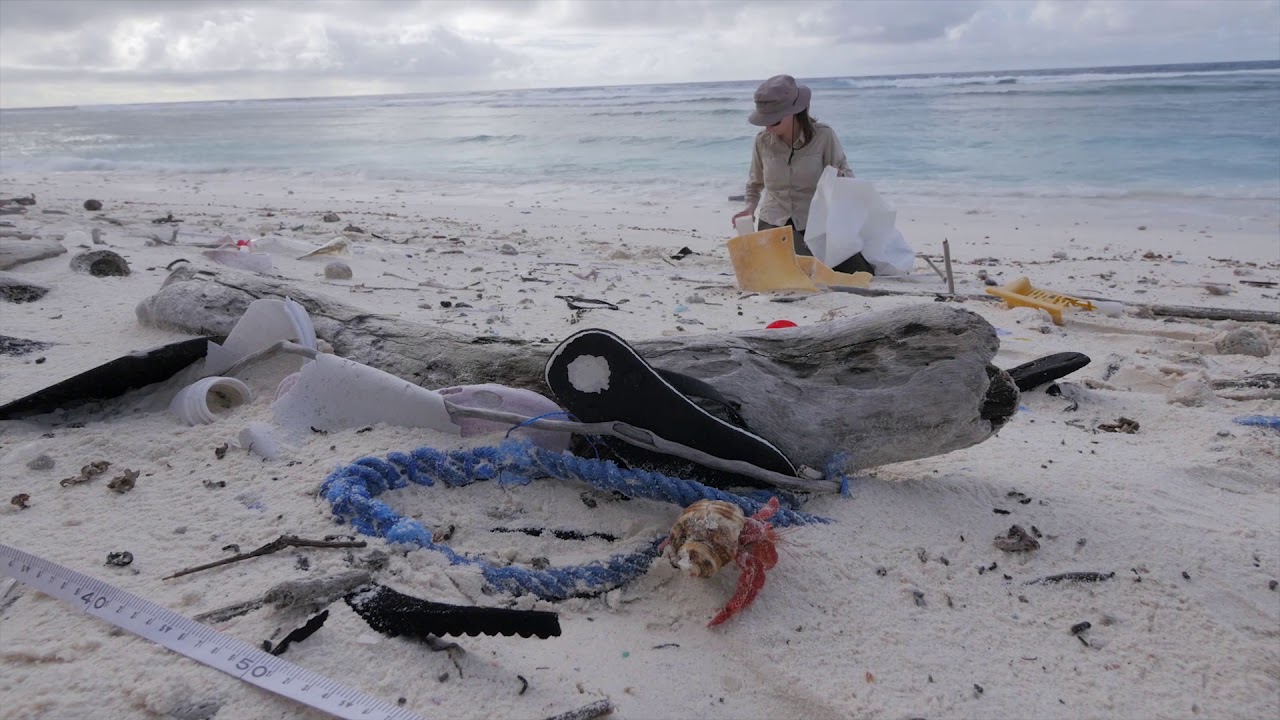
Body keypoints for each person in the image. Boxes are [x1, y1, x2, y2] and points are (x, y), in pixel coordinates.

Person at [732, 74, 874, 275]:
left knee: (861, 272)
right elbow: (755, 183)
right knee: (804, 270)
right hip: (774, 223)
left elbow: (847, 176)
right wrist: (749, 207)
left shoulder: (823, 136)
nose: (768, 128)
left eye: (774, 121)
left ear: (794, 112)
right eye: (765, 121)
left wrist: (840, 179)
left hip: (815, 223)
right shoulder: (762, 141)